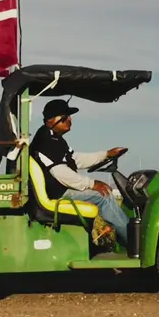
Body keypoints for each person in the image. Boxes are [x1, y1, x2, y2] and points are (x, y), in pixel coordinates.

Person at [29, 98, 130, 245]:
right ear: (51, 120)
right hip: (58, 193)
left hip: (59, 190)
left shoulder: (56, 139)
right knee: (105, 196)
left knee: (103, 194)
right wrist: (91, 183)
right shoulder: (45, 140)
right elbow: (60, 172)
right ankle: (134, 242)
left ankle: (117, 238)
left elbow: (74, 159)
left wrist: (106, 154)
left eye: (69, 116)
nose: (70, 120)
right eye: (65, 116)